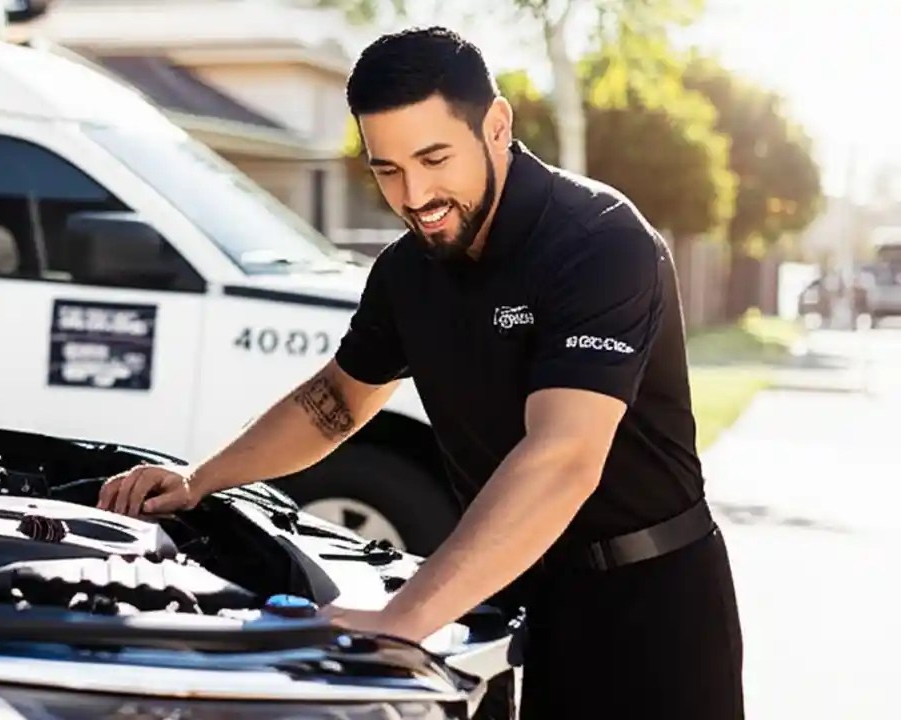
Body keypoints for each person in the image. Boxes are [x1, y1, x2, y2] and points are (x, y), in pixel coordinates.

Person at [97, 26, 744, 720]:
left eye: (435, 157)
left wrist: (405, 617)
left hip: (655, 610)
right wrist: (200, 479)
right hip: (530, 598)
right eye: (388, 169)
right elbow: (334, 402)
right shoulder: (408, 271)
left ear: (497, 126)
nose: (416, 194)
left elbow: (563, 457)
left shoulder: (600, 242)